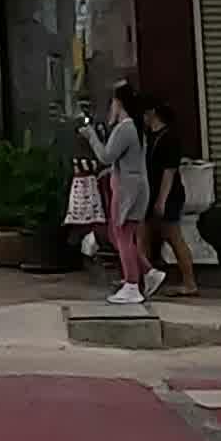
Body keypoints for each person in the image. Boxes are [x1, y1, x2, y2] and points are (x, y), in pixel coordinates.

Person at [85, 79, 157, 307]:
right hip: (134, 188)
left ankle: (132, 285)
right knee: (120, 235)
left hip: (128, 190)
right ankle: (147, 272)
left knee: (123, 236)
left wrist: (90, 137)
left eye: (112, 103)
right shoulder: (135, 127)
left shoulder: (125, 128)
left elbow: (106, 156)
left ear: (118, 103)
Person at [142, 92, 197, 298]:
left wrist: (161, 200)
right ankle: (145, 278)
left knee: (174, 237)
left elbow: (169, 171)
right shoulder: (151, 136)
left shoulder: (169, 137)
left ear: (153, 113)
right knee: (144, 236)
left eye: (145, 114)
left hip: (168, 194)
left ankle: (189, 282)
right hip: (153, 193)